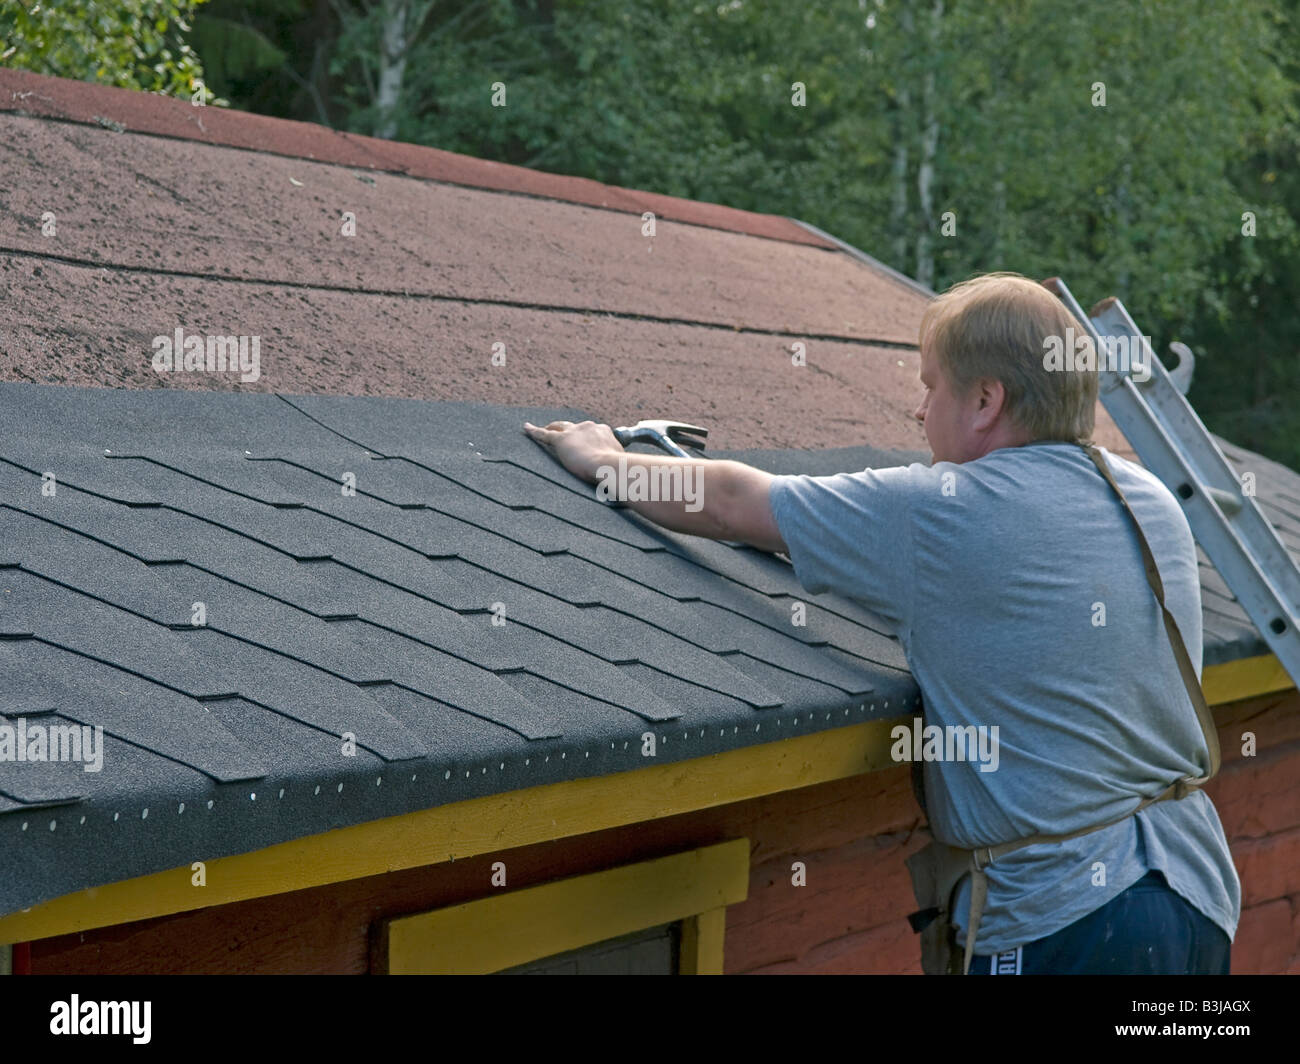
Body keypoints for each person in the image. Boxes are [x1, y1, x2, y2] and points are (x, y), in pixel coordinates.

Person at [523, 271, 1238, 974]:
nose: (919, 413)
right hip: (1196, 897)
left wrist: (606, 462)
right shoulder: (1148, 499)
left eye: (931, 388)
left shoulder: (946, 511)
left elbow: (731, 502)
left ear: (987, 399)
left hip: (1065, 923)